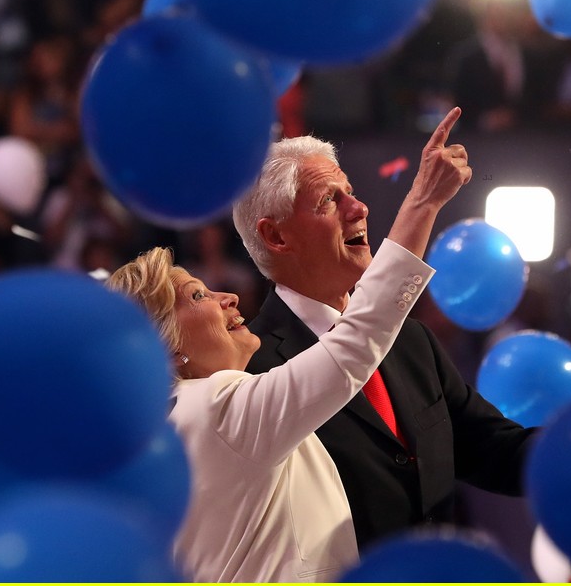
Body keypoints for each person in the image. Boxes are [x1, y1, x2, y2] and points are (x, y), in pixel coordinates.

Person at [106, 109, 471, 581]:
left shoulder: (166, 429)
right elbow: (356, 343)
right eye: (197, 296)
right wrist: (422, 202)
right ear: (167, 349)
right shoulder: (217, 410)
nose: (227, 295)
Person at [233, 108, 537, 551]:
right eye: (328, 200)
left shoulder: (411, 341)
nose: (359, 208)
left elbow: (494, 449)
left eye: (350, 192)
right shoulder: (253, 368)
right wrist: (422, 201)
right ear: (276, 237)